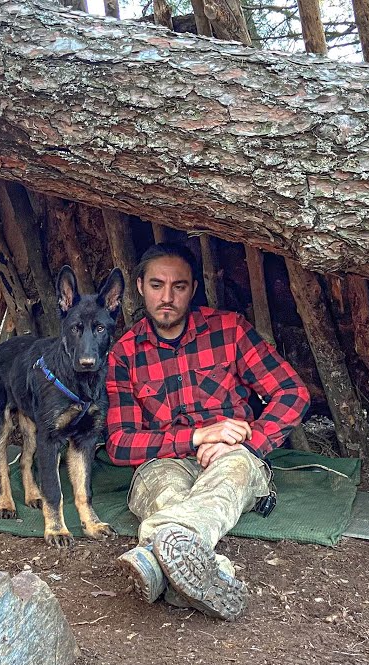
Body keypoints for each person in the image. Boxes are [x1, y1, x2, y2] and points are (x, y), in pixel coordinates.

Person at [106, 242, 310, 620]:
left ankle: (154, 558)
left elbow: (292, 392)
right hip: (164, 460)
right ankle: (208, 574)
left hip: (231, 456)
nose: (167, 297)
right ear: (139, 287)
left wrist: (252, 442)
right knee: (164, 493)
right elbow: (119, 443)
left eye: (179, 286)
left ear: (194, 289)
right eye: (157, 285)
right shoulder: (125, 353)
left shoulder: (228, 330)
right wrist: (196, 436)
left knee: (234, 471)